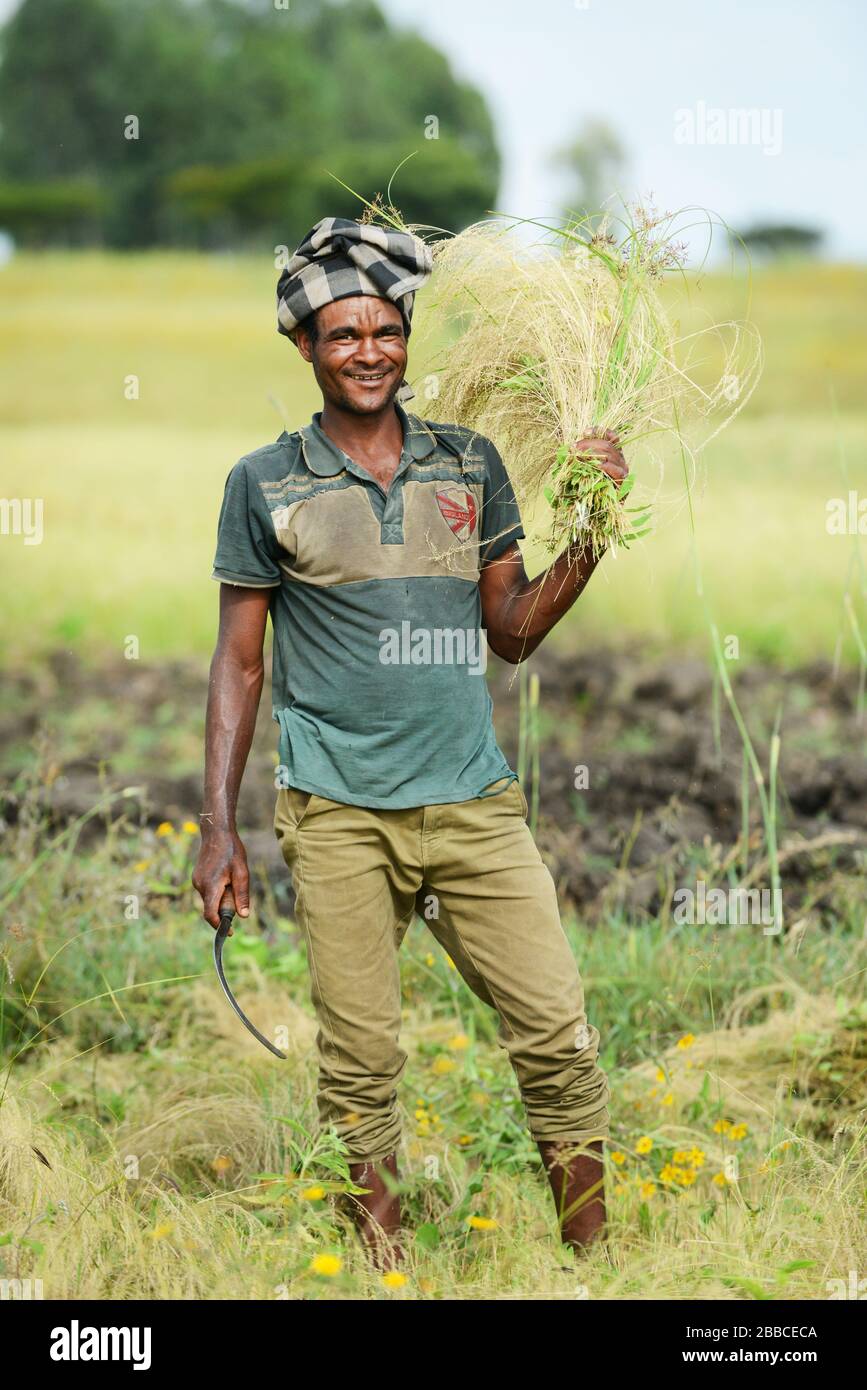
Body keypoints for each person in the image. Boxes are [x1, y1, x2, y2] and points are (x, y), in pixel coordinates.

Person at [192, 215, 628, 1271]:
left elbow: (513, 632)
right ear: (304, 345)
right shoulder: (266, 484)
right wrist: (219, 830)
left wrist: (595, 531)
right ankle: (378, 1277)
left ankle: (601, 1267)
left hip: (474, 804)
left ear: (406, 334)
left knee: (557, 1033)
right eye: (343, 334)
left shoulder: (469, 465)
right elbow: (239, 665)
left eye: (386, 329)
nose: (370, 350)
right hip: (337, 812)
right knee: (361, 1063)